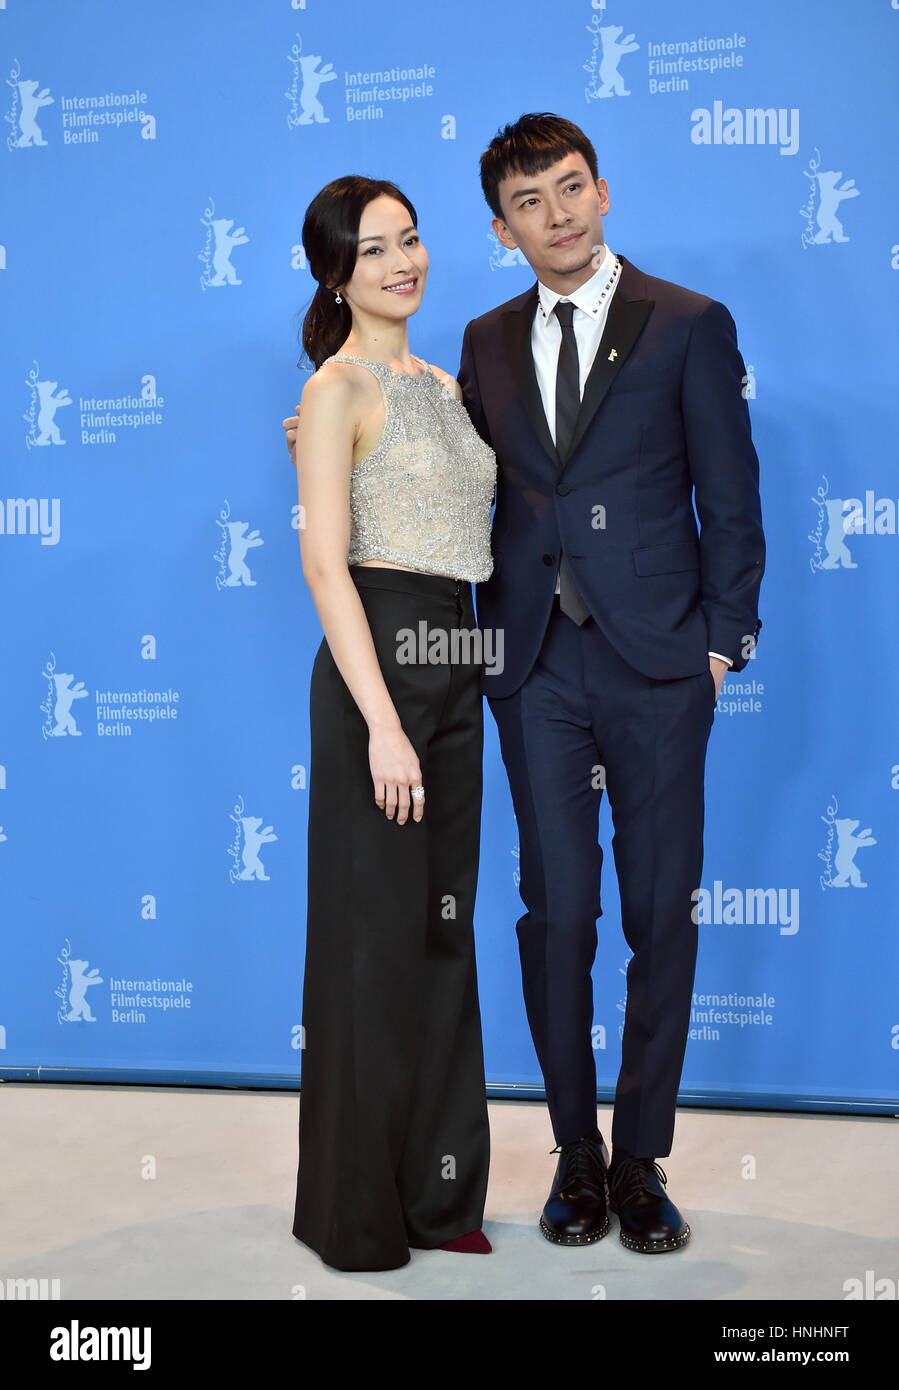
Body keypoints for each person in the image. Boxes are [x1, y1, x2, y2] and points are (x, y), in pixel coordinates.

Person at [457, 113, 765, 1253]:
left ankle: (640, 1161)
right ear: (502, 227)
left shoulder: (684, 323)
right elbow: (464, 488)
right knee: (558, 916)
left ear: (602, 189)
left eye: (571, 187)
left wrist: (721, 642)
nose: (558, 215)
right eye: (530, 202)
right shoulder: (485, 339)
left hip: (656, 661)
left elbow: (729, 499)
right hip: (533, 663)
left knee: (654, 915)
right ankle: (573, 1156)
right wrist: (339, 444)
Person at [286, 175, 497, 1272]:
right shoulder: (335, 387)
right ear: (338, 273)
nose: (401, 262)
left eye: (409, 239)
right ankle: (357, 1213)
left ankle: (439, 1193)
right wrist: (381, 722)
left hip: (457, 652)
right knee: (373, 946)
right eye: (374, 250)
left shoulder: (449, 383)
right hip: (381, 664)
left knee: (443, 934)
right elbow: (326, 563)